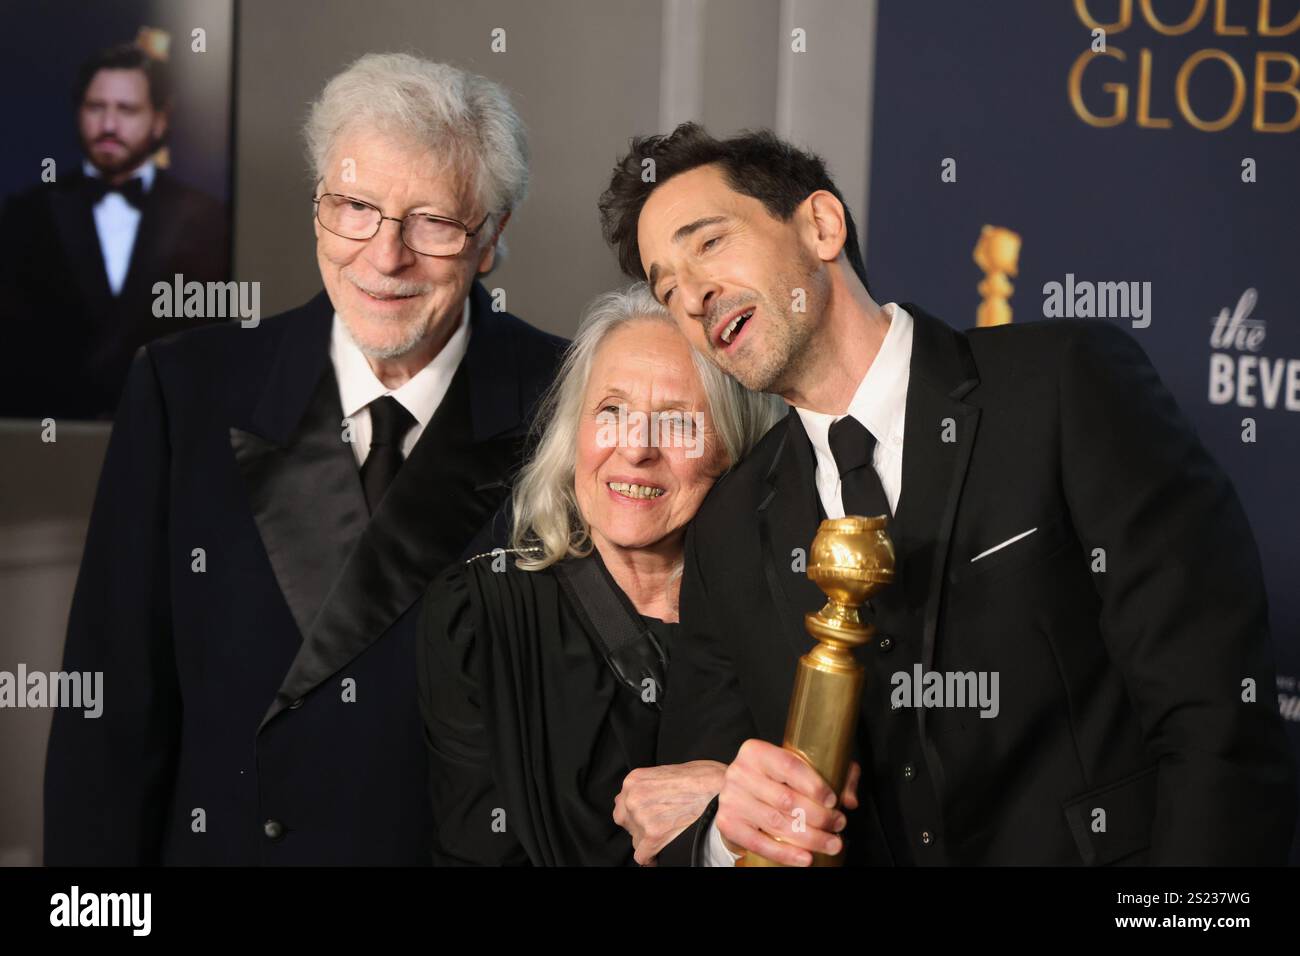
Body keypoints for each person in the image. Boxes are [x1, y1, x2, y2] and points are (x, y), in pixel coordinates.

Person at [598, 122, 1297, 866]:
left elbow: (1217, 721)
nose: (695, 297)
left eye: (708, 244)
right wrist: (720, 834)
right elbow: (700, 796)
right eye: (667, 289)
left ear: (821, 225)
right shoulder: (730, 530)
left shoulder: (1059, 388)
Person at [43, 53, 565, 865]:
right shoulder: (186, 392)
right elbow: (111, 714)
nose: (384, 256)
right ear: (319, 208)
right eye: (355, 206)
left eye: (432, 221)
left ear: (491, 236)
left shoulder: (572, 405)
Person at [416, 283, 784, 865]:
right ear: (575, 432)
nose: (636, 449)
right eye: (611, 412)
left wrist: (736, 802)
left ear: (735, 447)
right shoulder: (479, 617)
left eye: (677, 422)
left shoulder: (793, 620)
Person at [0, 43, 229, 419]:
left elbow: (213, 348)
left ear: (160, 119)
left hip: (169, 441)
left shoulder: (206, 219)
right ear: (78, 114)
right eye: (96, 107)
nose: (108, 124)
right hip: (46, 441)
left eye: (127, 109)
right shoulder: (28, 214)